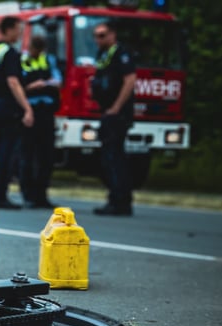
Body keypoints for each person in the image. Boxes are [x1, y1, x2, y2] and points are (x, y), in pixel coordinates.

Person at [0, 16, 34, 209]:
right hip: (7, 107)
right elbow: (13, 82)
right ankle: (1, 195)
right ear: (8, 30)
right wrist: (27, 107)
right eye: (18, 30)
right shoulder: (10, 53)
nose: (19, 34)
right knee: (7, 153)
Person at [91, 21, 137, 216]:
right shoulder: (102, 55)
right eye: (96, 36)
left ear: (112, 35)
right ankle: (115, 198)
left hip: (117, 114)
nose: (98, 39)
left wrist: (116, 107)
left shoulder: (122, 54)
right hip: (107, 112)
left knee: (115, 158)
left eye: (102, 35)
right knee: (108, 159)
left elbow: (130, 80)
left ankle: (121, 201)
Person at [19, 35, 62, 208]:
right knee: (27, 155)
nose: (36, 53)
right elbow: (17, 86)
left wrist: (44, 83)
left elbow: (58, 81)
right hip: (30, 112)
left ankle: (41, 195)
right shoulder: (22, 60)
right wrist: (33, 86)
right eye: (34, 49)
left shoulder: (49, 60)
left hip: (46, 113)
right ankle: (28, 194)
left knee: (46, 156)